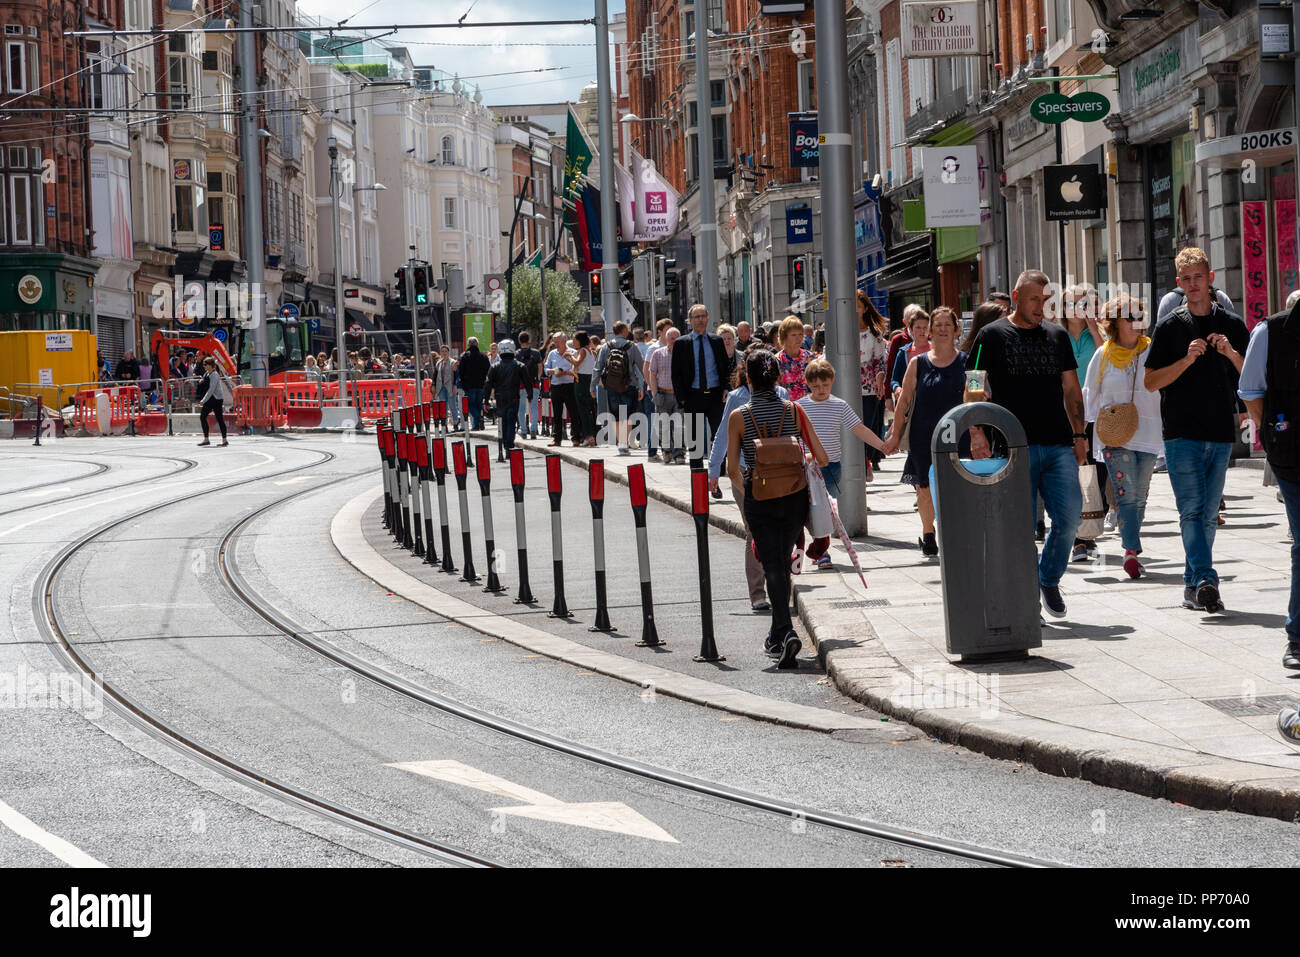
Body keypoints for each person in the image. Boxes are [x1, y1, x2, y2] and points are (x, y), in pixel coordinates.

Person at [968, 270, 1088, 618]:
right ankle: (1025, 599)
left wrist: (1079, 435)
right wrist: (977, 432)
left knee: (1069, 519)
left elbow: (1071, 390)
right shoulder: (990, 336)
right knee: (1018, 527)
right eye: (1035, 299)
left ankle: (1048, 578)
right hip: (1010, 446)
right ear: (1016, 296)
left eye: (1046, 300)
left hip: (1057, 444)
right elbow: (974, 384)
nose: (1041, 307)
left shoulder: (1058, 336)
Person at [1144, 247, 1249, 613]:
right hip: (1181, 434)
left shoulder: (1232, 324)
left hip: (1220, 432)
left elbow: (1251, 375)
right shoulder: (1170, 326)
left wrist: (1231, 353)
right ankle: (1206, 578)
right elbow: (1150, 381)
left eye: (1198, 277)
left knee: (1207, 514)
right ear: (1178, 284)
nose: (1192, 284)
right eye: (1185, 279)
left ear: (1211, 278)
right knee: (1191, 510)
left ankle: (1192, 586)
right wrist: (1186, 360)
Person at [725, 349, 828, 669]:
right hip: (794, 498)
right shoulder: (794, 410)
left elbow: (731, 469)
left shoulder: (739, 416)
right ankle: (777, 633)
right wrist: (801, 463)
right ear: (779, 378)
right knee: (782, 562)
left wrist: (751, 491)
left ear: (748, 378)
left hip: (760, 498)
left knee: (772, 564)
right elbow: (821, 457)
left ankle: (784, 632)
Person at [1237, 299, 1300, 704]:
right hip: (1293, 454)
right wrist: (1273, 436)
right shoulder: (1271, 331)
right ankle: (1297, 638)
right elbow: (1250, 391)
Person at [1082, 294, 1161, 579]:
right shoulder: (1102, 355)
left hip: (1149, 433)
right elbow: (1090, 397)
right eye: (1130, 317)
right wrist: (1084, 433)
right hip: (1116, 436)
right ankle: (1130, 550)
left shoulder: (1153, 351)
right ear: (1115, 322)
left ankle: (1131, 547)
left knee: (1141, 495)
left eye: (1141, 315)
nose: (1137, 322)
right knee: (1126, 494)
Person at [884, 306, 967, 557]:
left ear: (955, 330)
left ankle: (954, 530)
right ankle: (929, 533)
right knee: (924, 487)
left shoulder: (966, 361)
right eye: (937, 324)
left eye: (947, 324)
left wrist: (977, 433)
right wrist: (895, 435)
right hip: (924, 434)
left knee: (957, 486)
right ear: (930, 330)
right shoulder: (917, 363)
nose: (942, 329)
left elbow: (975, 398)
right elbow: (905, 400)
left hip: (958, 434)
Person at [710, 344, 788, 608]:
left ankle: (778, 584)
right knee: (754, 531)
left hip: (777, 471)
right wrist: (714, 470)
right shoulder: (736, 397)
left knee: (778, 531)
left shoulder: (782, 395)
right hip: (745, 472)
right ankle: (758, 593)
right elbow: (723, 434)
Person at [798, 357, 890, 568]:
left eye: (825, 385)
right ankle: (808, 547)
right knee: (804, 511)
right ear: (808, 384)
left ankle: (822, 552)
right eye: (815, 386)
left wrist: (881, 445)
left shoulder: (839, 405)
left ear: (832, 381)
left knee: (825, 512)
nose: (821, 389)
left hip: (831, 467)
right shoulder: (799, 407)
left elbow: (859, 429)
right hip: (805, 468)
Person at [671, 303, 729, 469]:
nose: (700, 320)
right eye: (697, 317)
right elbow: (676, 374)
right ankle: (697, 475)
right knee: (695, 439)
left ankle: (718, 470)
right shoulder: (682, 343)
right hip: (693, 396)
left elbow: (725, 367)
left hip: (716, 396)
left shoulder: (717, 341)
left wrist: (726, 388)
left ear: (708, 318)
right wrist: (681, 398)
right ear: (690, 321)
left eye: (703, 316)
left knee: (719, 435)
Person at [594, 320, 645, 454]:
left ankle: (621, 442)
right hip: (629, 385)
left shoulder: (606, 347)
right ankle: (625, 441)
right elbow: (641, 367)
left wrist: (592, 386)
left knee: (616, 415)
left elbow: (598, 367)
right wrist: (642, 386)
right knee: (627, 415)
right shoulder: (632, 346)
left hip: (612, 386)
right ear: (624, 331)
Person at [858, 290, 889, 475]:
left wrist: (879, 378)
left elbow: (879, 361)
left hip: (868, 388)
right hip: (846, 387)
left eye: (858, 307)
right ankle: (861, 466)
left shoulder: (874, 333)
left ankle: (865, 461)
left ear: (865, 309)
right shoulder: (841, 330)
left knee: (867, 429)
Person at [485, 339, 530, 453]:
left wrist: (486, 401)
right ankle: (509, 444)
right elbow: (527, 382)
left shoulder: (494, 366)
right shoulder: (520, 365)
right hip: (514, 397)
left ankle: (506, 444)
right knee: (511, 421)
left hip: (500, 398)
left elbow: (488, 384)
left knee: (504, 421)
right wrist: (530, 395)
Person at [649, 327, 684, 463]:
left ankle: (679, 453)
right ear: (666, 339)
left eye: (676, 338)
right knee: (663, 426)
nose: (674, 341)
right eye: (671, 338)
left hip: (678, 395)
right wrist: (654, 393)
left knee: (679, 426)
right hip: (662, 394)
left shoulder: (684, 355)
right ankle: (666, 451)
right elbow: (652, 374)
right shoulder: (658, 354)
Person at [884, 303, 925, 409]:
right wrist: (888, 396)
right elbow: (891, 371)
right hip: (905, 398)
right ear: (905, 322)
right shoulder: (898, 340)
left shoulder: (931, 341)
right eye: (911, 320)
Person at [545, 332, 581, 447]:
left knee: (573, 412)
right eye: (554, 341)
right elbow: (546, 369)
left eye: (557, 341)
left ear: (564, 341)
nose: (555, 344)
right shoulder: (552, 354)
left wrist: (565, 372)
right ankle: (557, 439)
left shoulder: (573, 352)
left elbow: (577, 369)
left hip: (569, 385)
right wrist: (555, 371)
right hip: (556, 385)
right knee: (557, 413)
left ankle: (576, 438)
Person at [891, 309, 930, 407]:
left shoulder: (937, 350)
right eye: (918, 327)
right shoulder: (903, 352)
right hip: (909, 404)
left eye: (925, 327)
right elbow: (894, 379)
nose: (922, 331)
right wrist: (897, 388)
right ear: (911, 330)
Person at [776, 315, 814, 402]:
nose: (799, 338)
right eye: (793, 335)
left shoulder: (810, 357)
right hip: (787, 410)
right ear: (784, 337)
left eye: (800, 334)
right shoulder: (777, 360)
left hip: (810, 409)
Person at [457, 337, 490, 430]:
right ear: (477, 344)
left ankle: (478, 419)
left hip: (469, 385)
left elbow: (461, 372)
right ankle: (476, 425)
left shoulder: (465, 356)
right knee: (478, 405)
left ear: (468, 344)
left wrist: (463, 383)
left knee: (470, 404)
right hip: (480, 384)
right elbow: (488, 370)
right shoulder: (483, 356)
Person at [570, 332, 597, 446]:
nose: (573, 342)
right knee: (588, 409)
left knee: (583, 410)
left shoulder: (582, 351)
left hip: (582, 381)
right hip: (589, 380)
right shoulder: (591, 351)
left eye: (574, 340)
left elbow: (577, 362)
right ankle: (590, 436)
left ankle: (589, 436)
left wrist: (568, 356)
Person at [194, 357, 228, 447]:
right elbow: (206, 383)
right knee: (203, 417)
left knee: (219, 418)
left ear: (211, 365)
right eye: (204, 364)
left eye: (206, 364)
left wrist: (203, 400)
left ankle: (224, 440)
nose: (204, 366)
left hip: (216, 399)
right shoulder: (207, 374)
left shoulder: (214, 375)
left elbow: (211, 389)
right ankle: (206, 439)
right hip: (211, 399)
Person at [515, 331, 542, 439]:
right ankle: (534, 430)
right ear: (529, 340)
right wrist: (538, 378)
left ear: (519, 340)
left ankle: (524, 430)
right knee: (533, 408)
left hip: (521, 384)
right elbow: (540, 367)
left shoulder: (516, 354)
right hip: (533, 383)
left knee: (521, 409)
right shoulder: (536, 353)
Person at [433, 346, 459, 426]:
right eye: (442, 351)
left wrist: (455, 385)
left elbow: (455, 375)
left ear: (448, 352)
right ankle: (445, 423)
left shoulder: (452, 362)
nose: (444, 353)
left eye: (445, 351)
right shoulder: (439, 363)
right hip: (441, 387)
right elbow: (435, 375)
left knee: (452, 405)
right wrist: (433, 385)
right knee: (443, 406)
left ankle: (455, 421)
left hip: (450, 386)